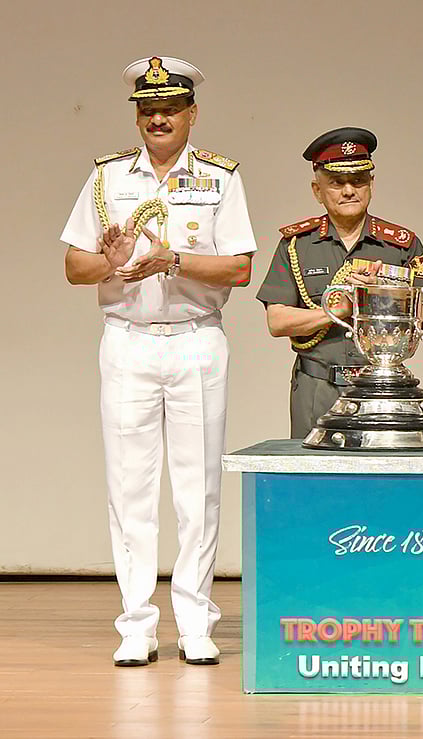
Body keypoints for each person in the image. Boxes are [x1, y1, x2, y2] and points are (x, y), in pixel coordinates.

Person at [60, 56, 256, 667]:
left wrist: (174, 262)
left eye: (170, 108)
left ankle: (195, 621)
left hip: (197, 338)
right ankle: (137, 624)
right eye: (148, 110)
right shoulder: (106, 178)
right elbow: (75, 267)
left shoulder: (220, 179)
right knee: (130, 487)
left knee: (198, 490)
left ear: (192, 114)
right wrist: (112, 258)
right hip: (128, 339)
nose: (158, 118)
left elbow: (240, 268)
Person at [256, 128, 423, 439]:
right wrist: (339, 309)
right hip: (318, 387)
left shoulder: (400, 244)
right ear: (318, 191)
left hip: (384, 387)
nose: (348, 190)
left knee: (381, 478)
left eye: (358, 181)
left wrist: (378, 295)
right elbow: (277, 321)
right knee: (313, 480)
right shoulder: (296, 245)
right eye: (337, 183)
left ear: (371, 185)